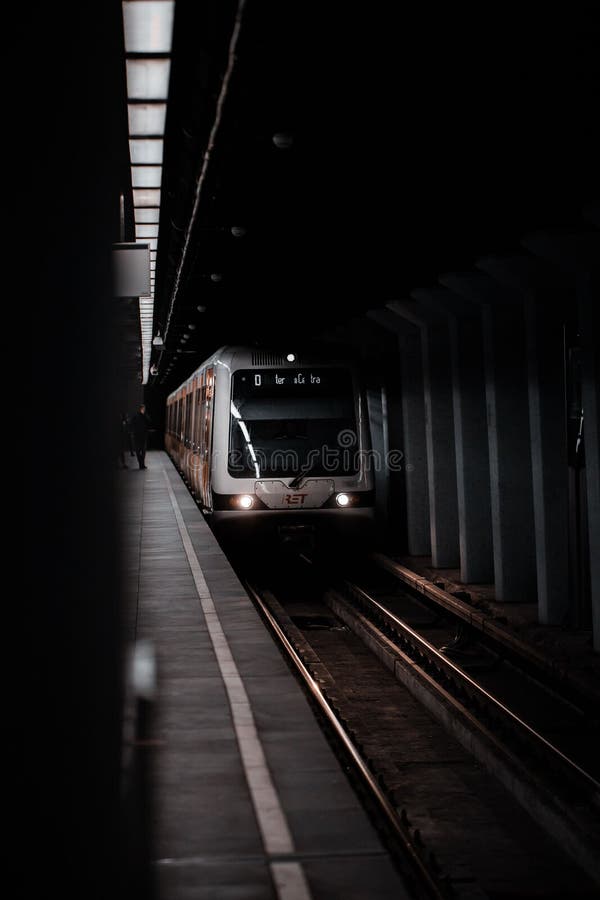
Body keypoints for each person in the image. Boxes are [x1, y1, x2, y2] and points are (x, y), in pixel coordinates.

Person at [131, 404, 152, 469]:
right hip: (138, 436)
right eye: (143, 409)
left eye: (144, 409)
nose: (144, 410)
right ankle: (141, 463)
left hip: (142, 436)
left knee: (143, 451)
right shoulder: (136, 416)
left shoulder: (145, 416)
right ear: (140, 409)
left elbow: (149, 422)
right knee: (138, 451)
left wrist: (144, 415)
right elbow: (132, 424)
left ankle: (142, 464)